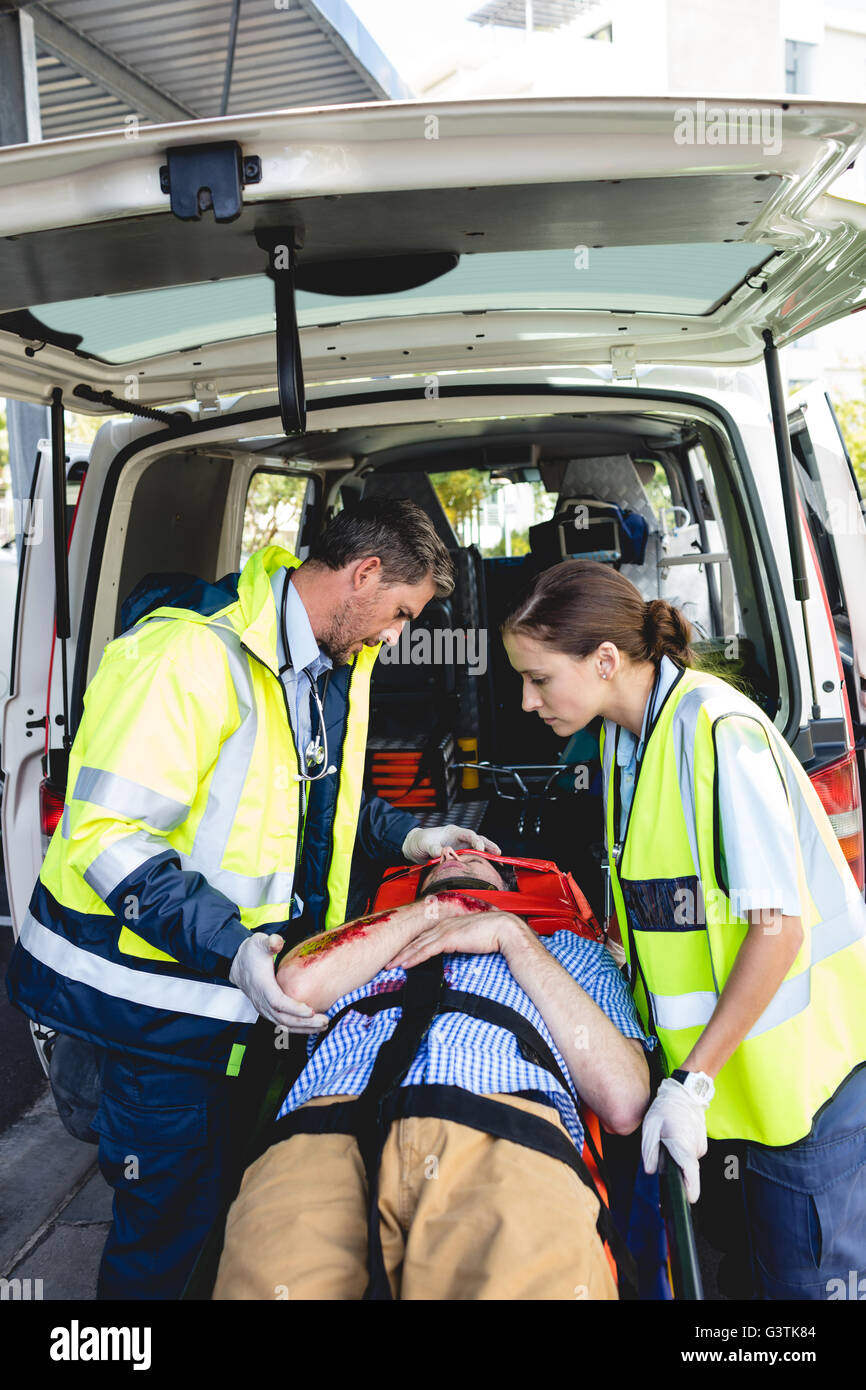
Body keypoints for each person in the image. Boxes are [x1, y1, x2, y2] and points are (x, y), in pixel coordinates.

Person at [6, 499, 498, 1300]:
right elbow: (108, 840)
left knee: (223, 1211)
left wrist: (412, 839)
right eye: (402, 613)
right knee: (168, 1232)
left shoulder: (319, 668)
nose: (398, 635)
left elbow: (313, 807)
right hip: (153, 1013)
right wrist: (237, 948)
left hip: (231, 1003)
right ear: (363, 574)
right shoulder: (186, 657)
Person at [501, 557, 866, 1301]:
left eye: (540, 678)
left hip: (801, 1087)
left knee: (802, 1293)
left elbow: (777, 931)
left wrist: (692, 1083)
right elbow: (673, 905)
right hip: (726, 1089)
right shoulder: (621, 742)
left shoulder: (717, 733)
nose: (528, 701)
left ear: (605, 661)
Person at [212, 848, 652, 1301]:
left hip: (506, 1135)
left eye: (476, 857)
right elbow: (294, 988)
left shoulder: (570, 951)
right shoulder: (369, 941)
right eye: (444, 858)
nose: (453, 855)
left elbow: (625, 1099)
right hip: (324, 1133)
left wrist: (511, 935)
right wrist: (432, 910)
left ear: (506, 885)